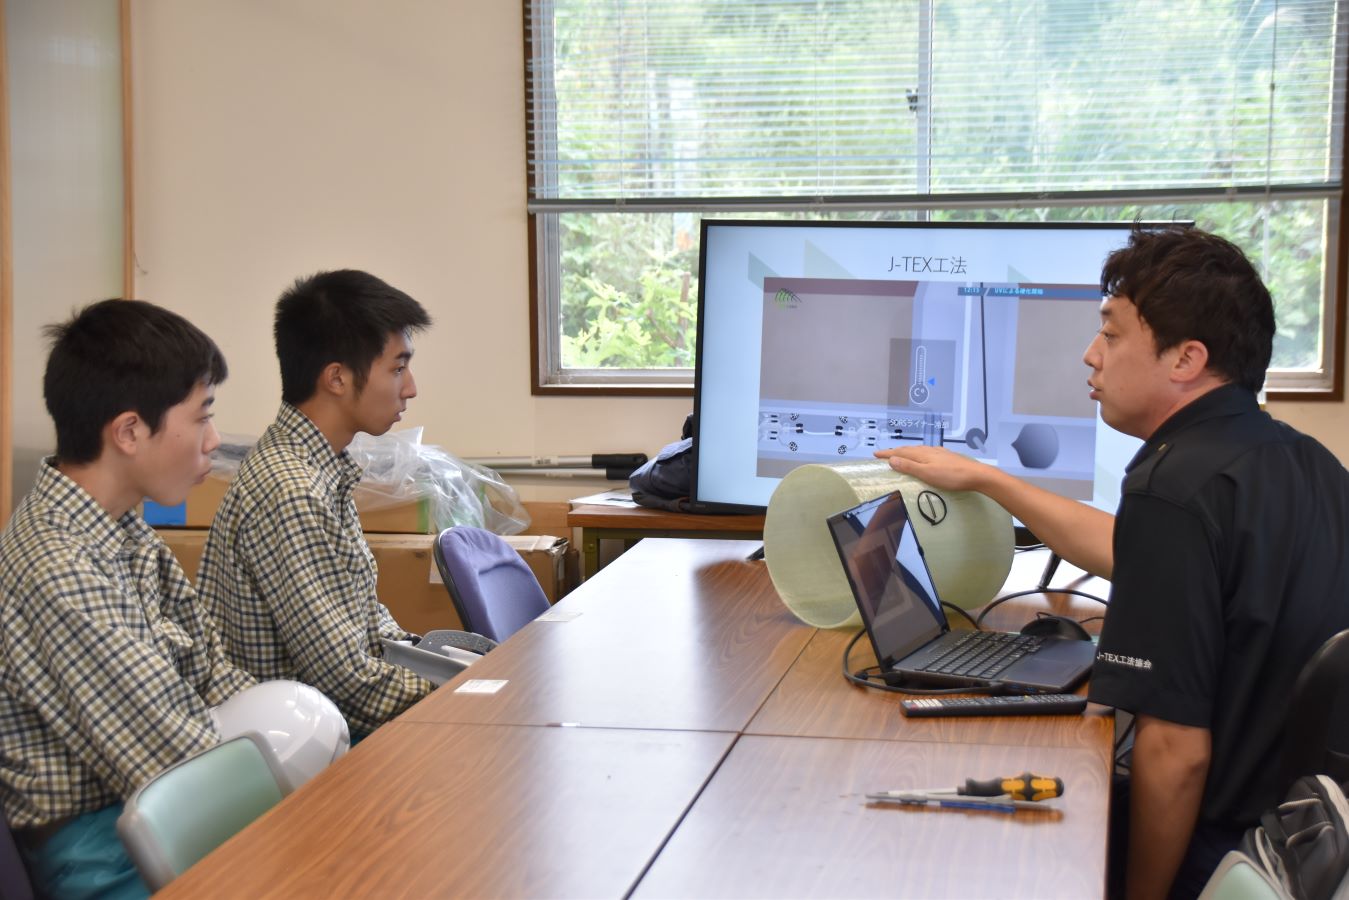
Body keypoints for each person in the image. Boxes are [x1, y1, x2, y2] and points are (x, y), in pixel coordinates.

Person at [876, 226, 1349, 899]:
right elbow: (1144, 556)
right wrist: (990, 480)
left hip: (1217, 847)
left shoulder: (1173, 486)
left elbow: (1175, 753)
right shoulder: (1300, 461)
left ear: (1185, 359)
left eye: (1111, 333)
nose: (1089, 355)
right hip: (1303, 835)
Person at [0, 299, 256, 899]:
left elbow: (212, 671)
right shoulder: (59, 568)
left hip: (150, 814)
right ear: (129, 432)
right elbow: (184, 766)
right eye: (201, 417)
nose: (213, 442)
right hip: (105, 852)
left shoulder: (125, 532)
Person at [197, 270, 435, 739]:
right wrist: (461, 696)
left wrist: (450, 665)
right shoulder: (291, 490)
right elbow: (347, 681)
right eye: (397, 367)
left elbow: (369, 630)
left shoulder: (321, 468)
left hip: (327, 731)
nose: (410, 387)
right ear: (337, 378)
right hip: (303, 752)